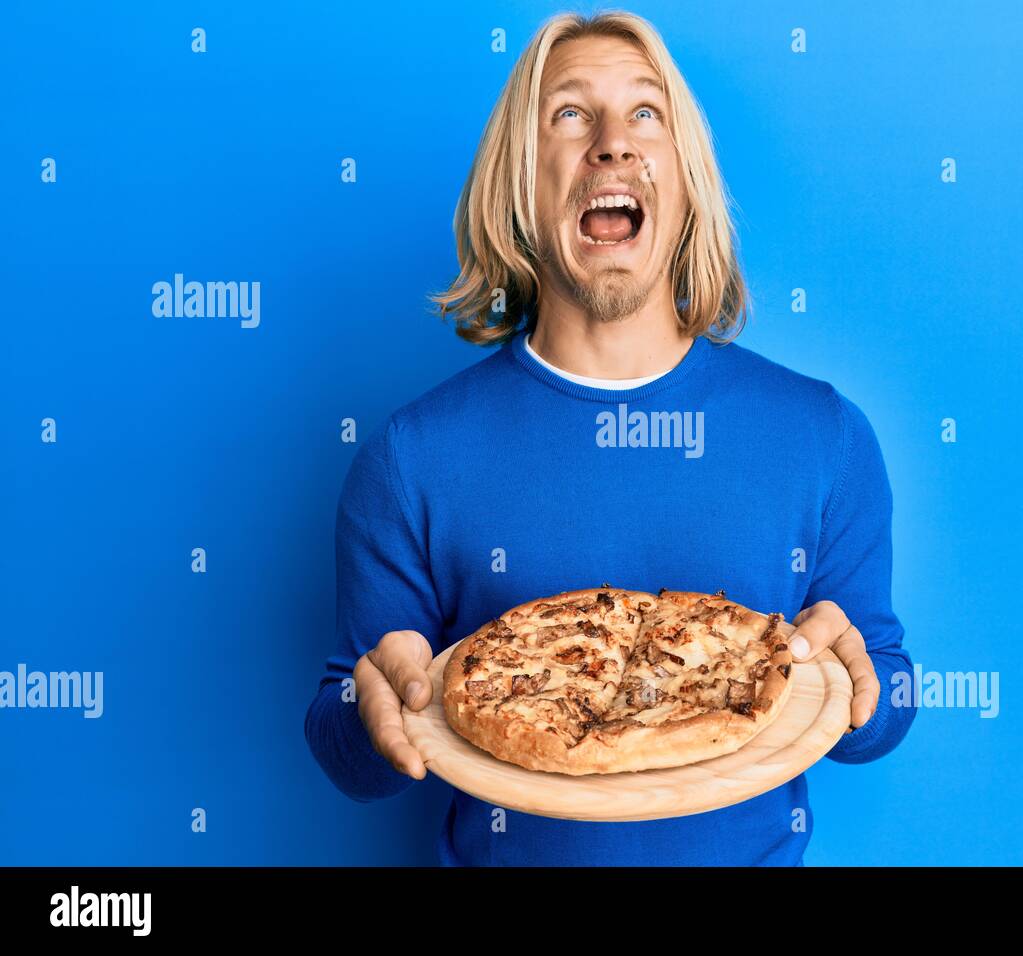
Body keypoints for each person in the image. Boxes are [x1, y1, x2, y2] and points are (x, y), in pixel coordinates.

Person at [304, 10, 917, 866]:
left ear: (683, 179)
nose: (611, 145)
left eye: (645, 114)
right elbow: (342, 740)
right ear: (520, 185)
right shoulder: (410, 460)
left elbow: (886, 702)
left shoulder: (824, 436)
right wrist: (372, 712)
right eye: (569, 114)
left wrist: (868, 688)